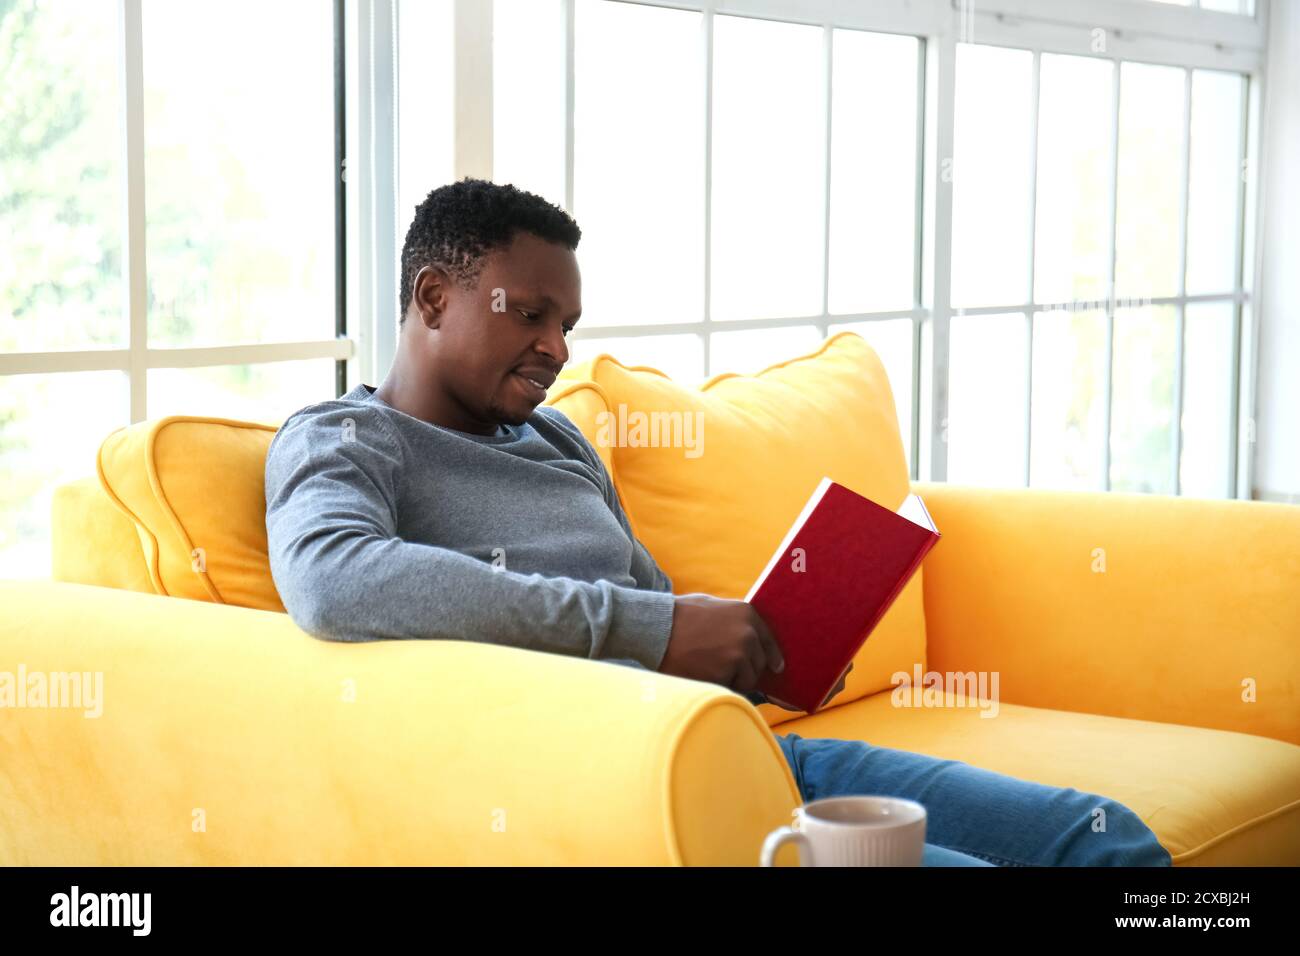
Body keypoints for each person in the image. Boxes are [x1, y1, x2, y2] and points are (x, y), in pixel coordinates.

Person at [264, 178, 1171, 867]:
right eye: (530, 315)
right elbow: (336, 581)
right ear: (432, 299)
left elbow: (655, 608)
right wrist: (656, 630)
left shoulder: (558, 441)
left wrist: (759, 648)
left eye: (568, 323)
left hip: (750, 752)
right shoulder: (345, 441)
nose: (557, 347)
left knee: (1107, 843)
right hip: (627, 799)